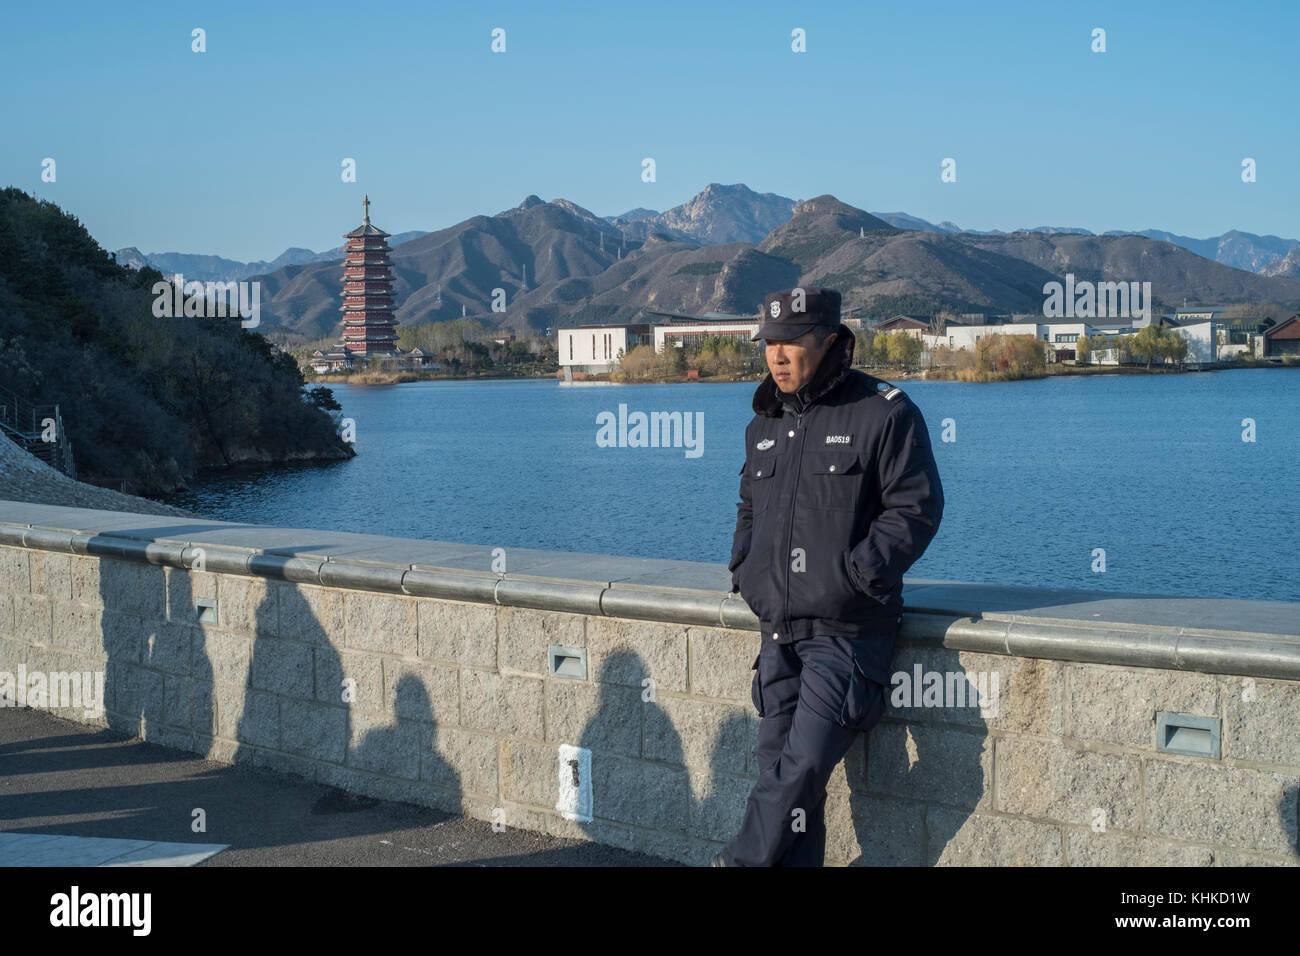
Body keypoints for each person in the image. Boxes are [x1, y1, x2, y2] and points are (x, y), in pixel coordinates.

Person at [714, 286, 944, 867]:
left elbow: (915, 509)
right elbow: (748, 507)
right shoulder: (763, 422)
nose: (777, 355)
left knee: (798, 770)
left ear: (831, 341)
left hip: (846, 634)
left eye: (792, 342)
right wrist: (747, 570)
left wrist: (855, 577)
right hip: (777, 633)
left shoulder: (885, 412)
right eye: (770, 343)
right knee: (788, 786)